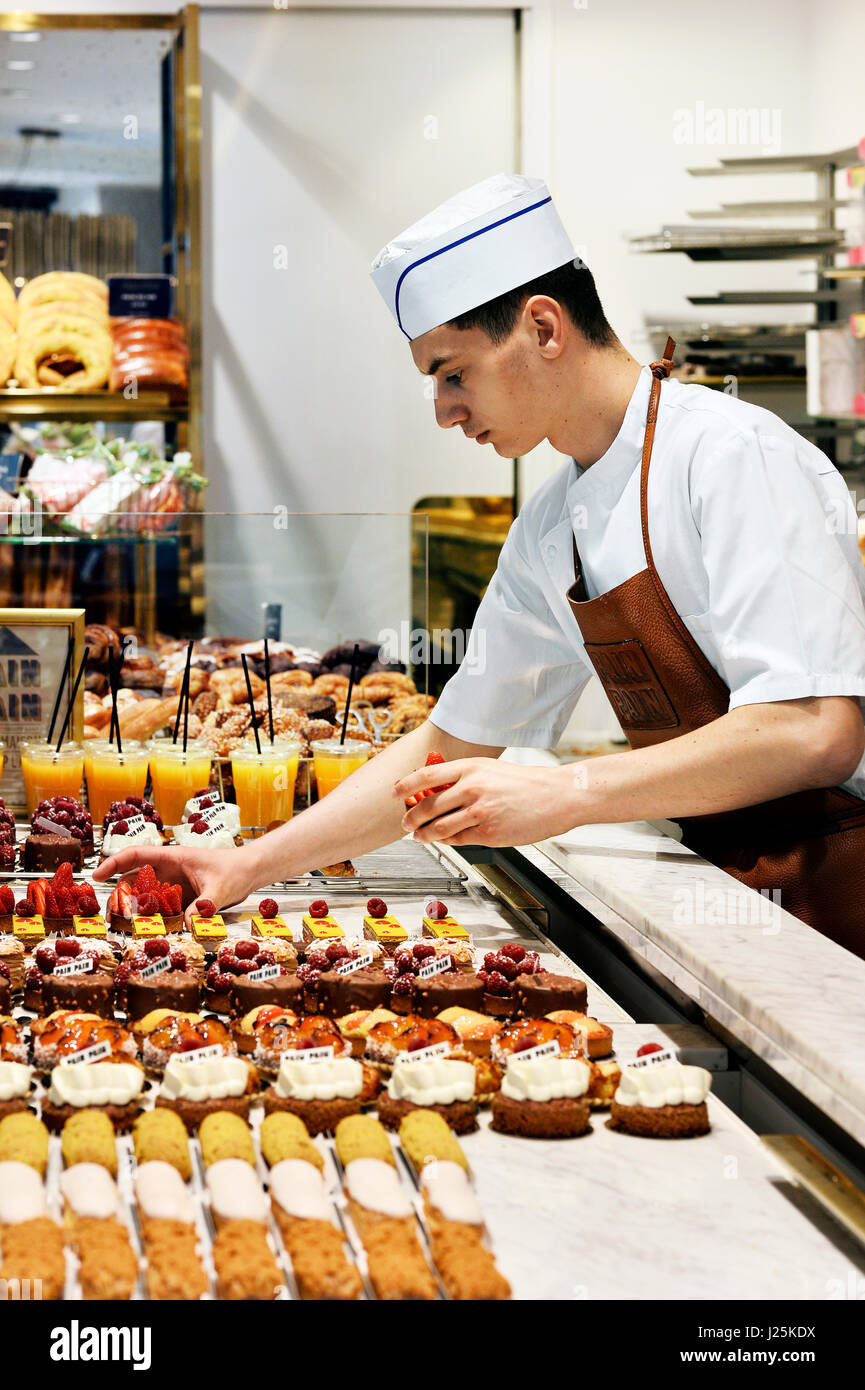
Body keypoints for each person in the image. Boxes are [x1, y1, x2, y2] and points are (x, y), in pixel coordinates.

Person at [96, 174, 865, 954]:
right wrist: (247, 864)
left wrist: (567, 791)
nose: (444, 411)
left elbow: (813, 734)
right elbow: (453, 744)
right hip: (728, 890)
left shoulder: (731, 455)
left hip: (840, 893)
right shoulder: (551, 526)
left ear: (542, 327)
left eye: (453, 372)